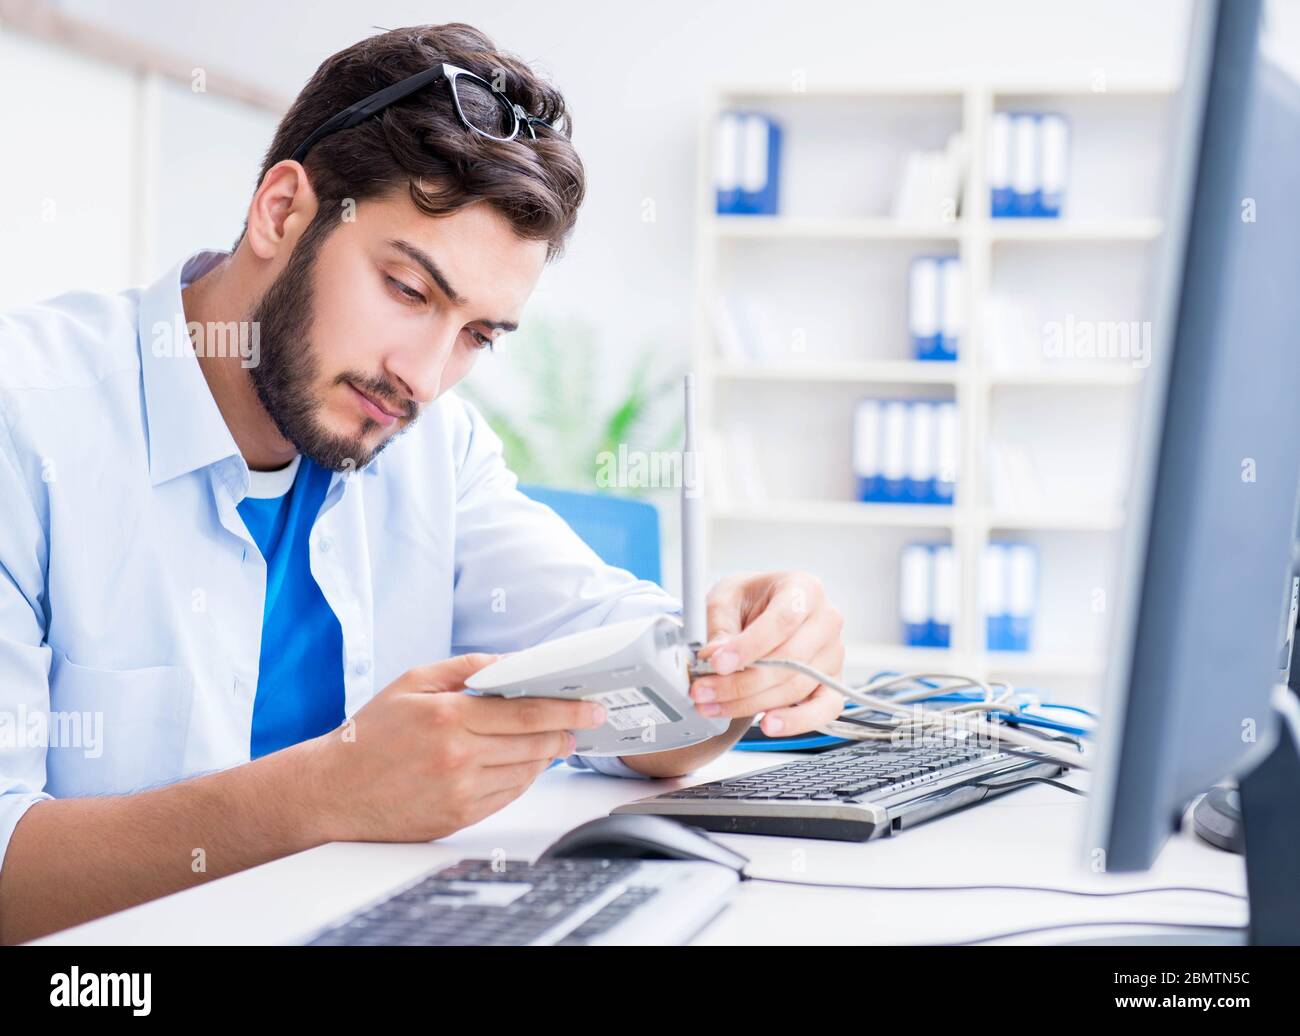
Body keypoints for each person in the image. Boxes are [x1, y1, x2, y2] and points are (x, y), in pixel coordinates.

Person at [0, 22, 845, 944]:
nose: (425, 376)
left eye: (478, 334)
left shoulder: (429, 447)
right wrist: (325, 795)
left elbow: (639, 697)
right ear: (282, 211)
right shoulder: (29, 420)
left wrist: (738, 670)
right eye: (408, 290)